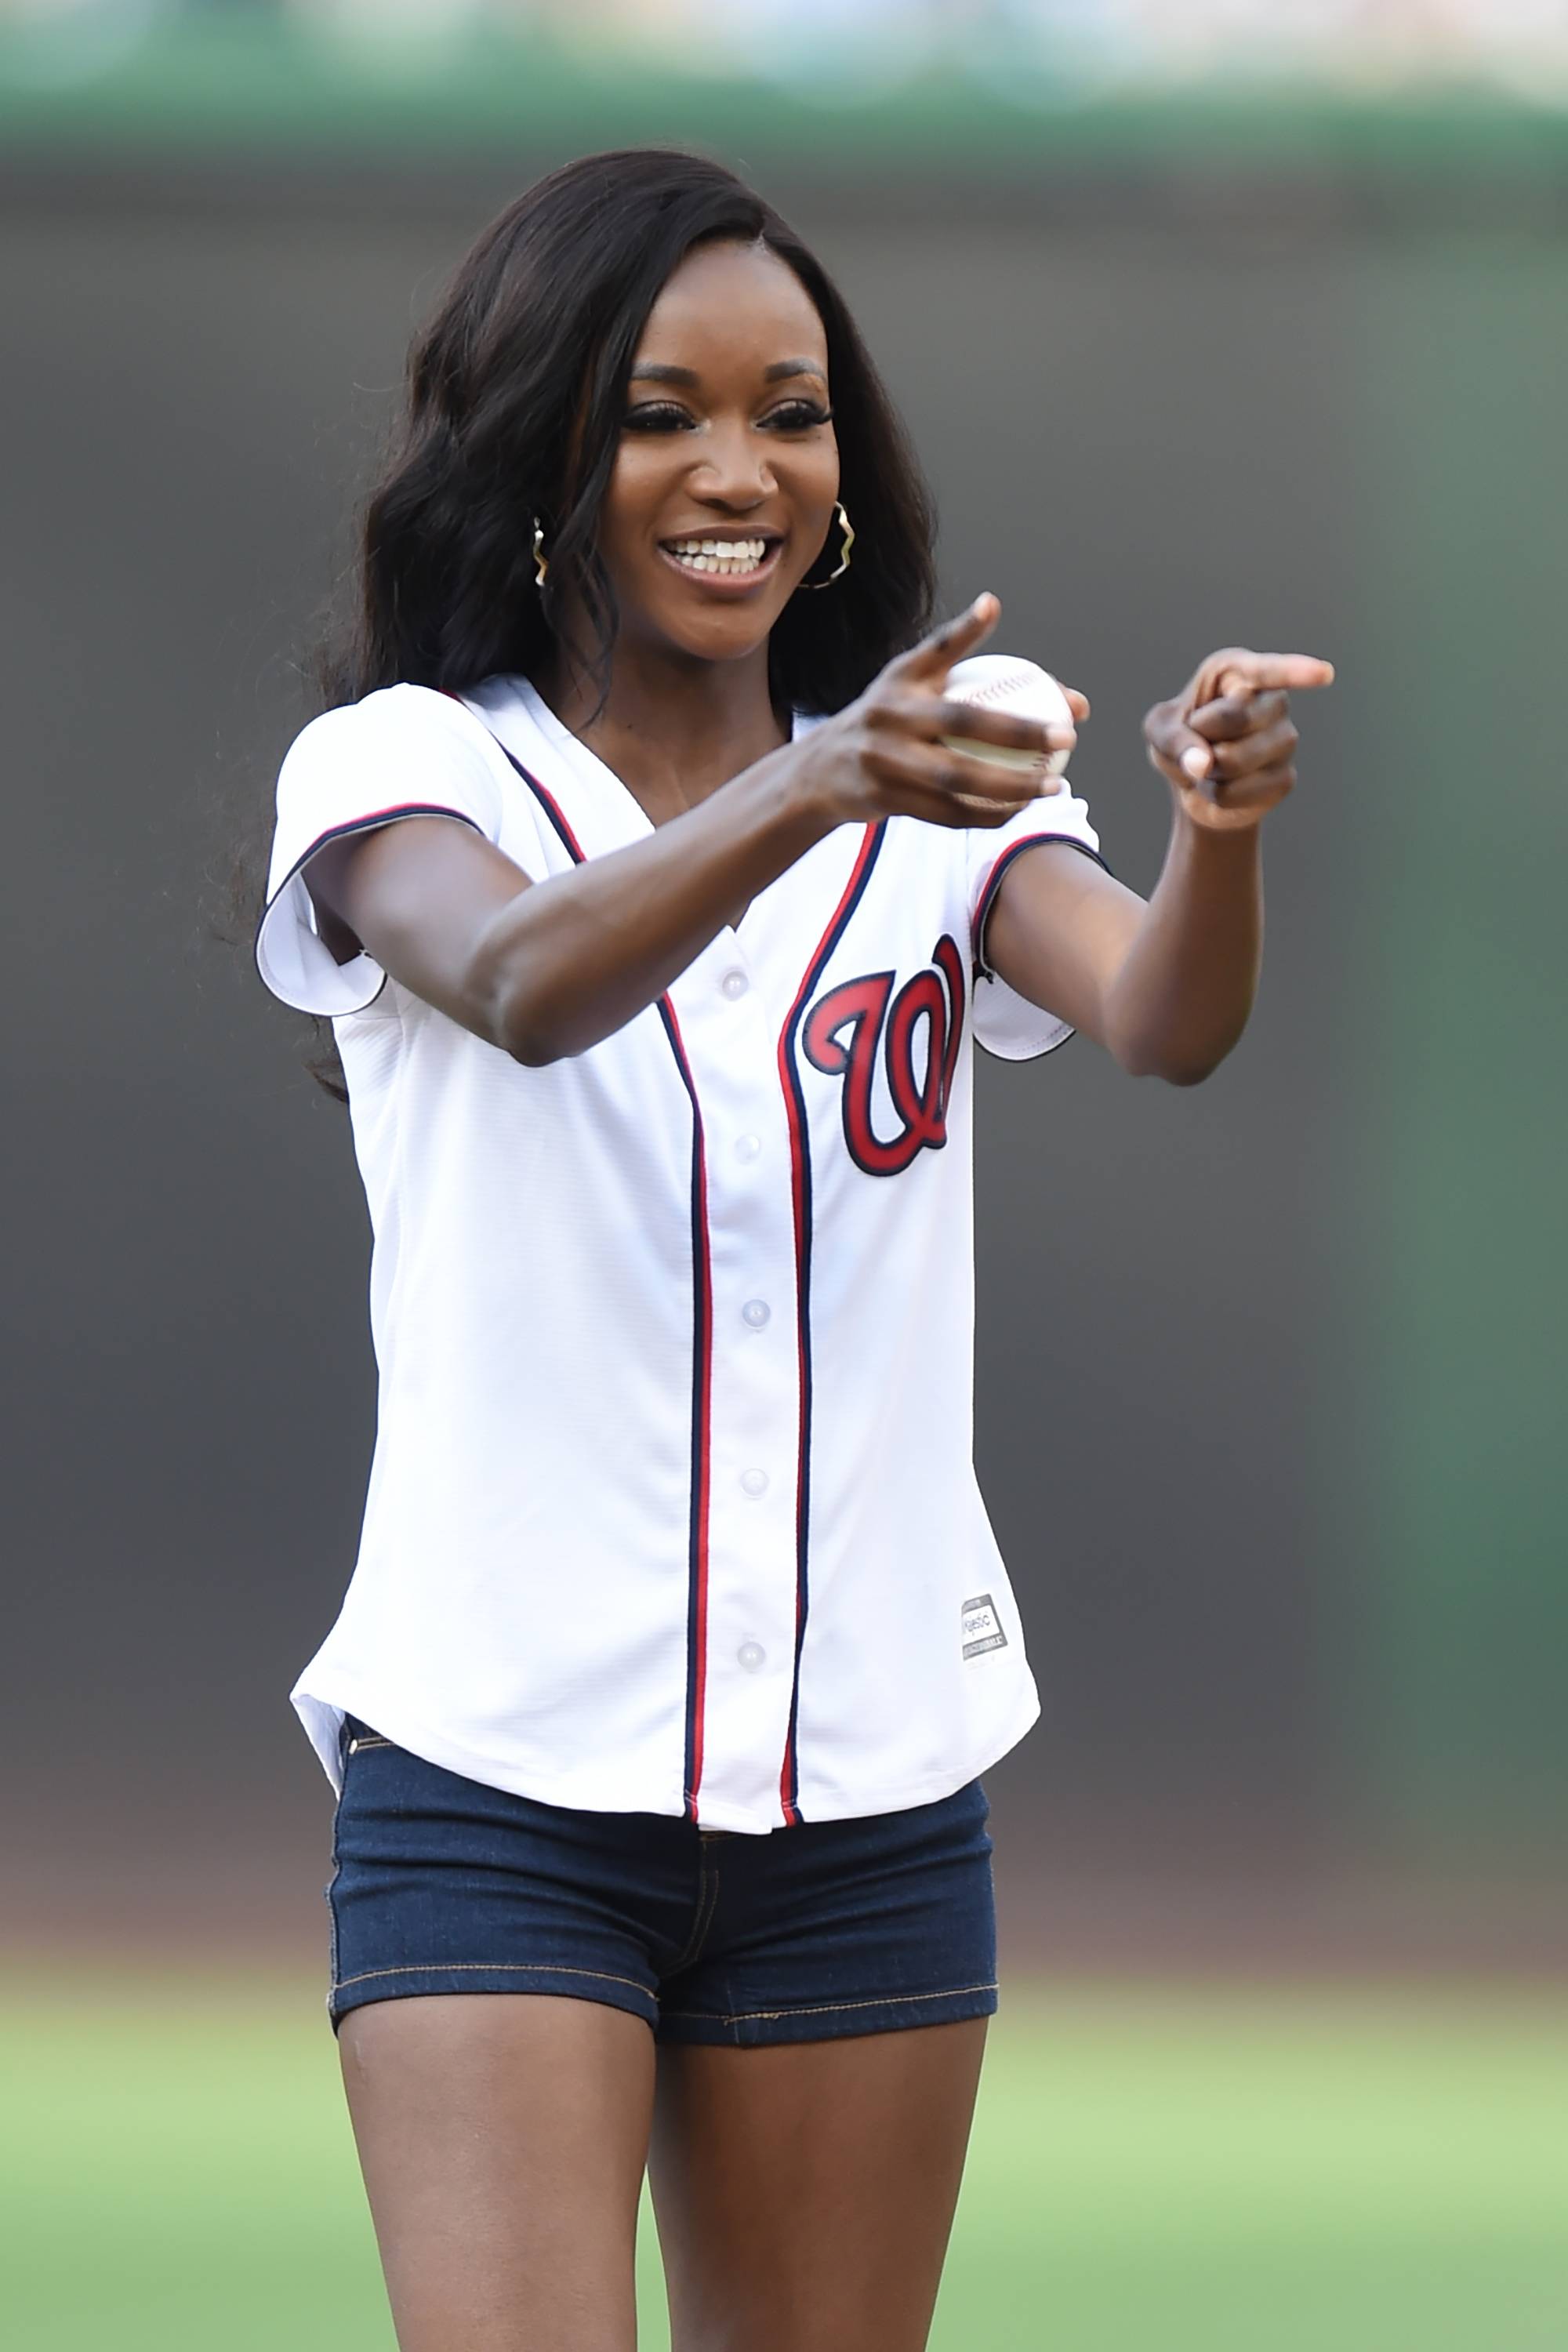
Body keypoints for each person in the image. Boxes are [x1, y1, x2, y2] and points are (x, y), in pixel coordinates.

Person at [252, 147, 1331, 2352]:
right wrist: (821, 783)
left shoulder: (955, 788)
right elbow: (530, 979)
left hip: (868, 1785)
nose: (737, 464)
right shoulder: (405, 770)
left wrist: (1216, 837)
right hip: (499, 1774)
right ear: (543, 443)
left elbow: (1164, 1023)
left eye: (791, 409)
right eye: (659, 411)